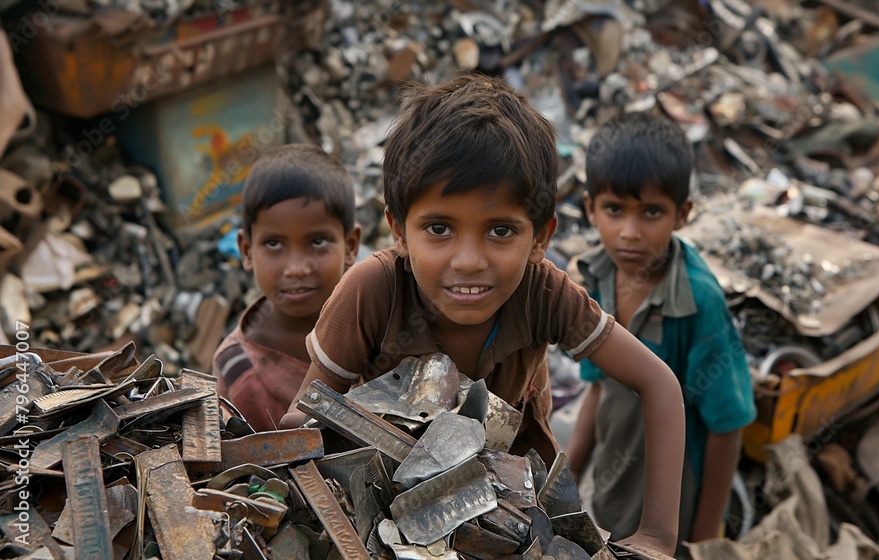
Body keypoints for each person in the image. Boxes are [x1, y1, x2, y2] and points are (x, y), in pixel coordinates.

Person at [282, 74, 686, 555]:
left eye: (499, 230)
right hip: (389, 518)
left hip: (511, 515)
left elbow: (658, 383)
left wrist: (658, 537)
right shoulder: (372, 292)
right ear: (399, 230)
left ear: (540, 237)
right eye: (439, 228)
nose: (469, 259)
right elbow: (306, 416)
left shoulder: (543, 293)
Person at [566, 112, 756, 555]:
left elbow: (727, 428)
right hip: (615, 479)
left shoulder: (699, 301)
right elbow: (597, 389)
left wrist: (702, 542)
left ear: (682, 213)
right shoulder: (596, 276)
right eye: (614, 210)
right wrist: (565, 478)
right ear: (591, 208)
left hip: (676, 498)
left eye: (651, 212)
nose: (629, 233)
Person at [212, 144, 361, 432]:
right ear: (246, 251)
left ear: (350, 245)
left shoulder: (376, 316)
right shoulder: (237, 367)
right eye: (273, 244)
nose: (296, 268)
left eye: (318, 241)